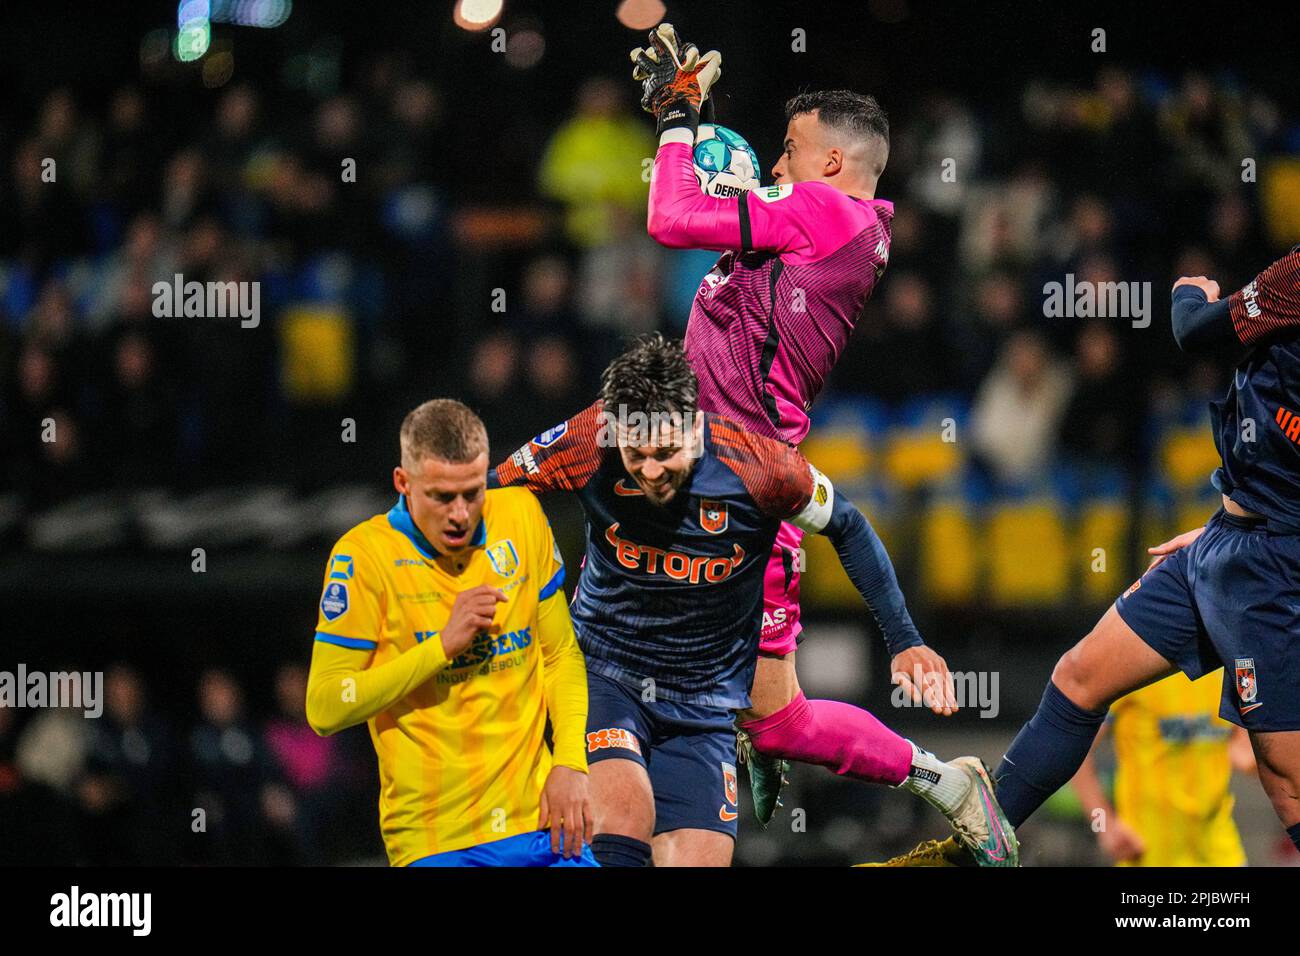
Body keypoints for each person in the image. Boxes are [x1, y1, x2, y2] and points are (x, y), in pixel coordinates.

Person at [492, 335, 1018, 867]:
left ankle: (944, 782)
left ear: (697, 427)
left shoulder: (763, 467)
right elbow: (494, 495)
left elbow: (849, 526)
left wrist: (905, 641)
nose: (650, 471)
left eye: (666, 452)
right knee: (624, 815)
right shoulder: (587, 438)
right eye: (637, 454)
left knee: (742, 788)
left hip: (705, 701)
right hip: (608, 675)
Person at [872, 246, 1300, 865]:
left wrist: (1190, 292)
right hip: (1225, 544)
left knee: (1285, 782)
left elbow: (1195, 331)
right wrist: (1226, 531)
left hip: (1270, 565)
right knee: (1079, 677)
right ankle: (971, 853)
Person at [631, 23, 959, 827]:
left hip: (745, 483)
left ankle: (944, 782)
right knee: (672, 671)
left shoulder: (823, 213)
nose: (776, 165)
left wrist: (679, 120)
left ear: (833, 164)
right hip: (702, 468)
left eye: (788, 150)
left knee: (776, 718)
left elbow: (670, 218)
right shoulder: (823, 228)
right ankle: (740, 750)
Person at [304, 399, 595, 866]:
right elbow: (323, 705)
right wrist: (440, 647)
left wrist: (570, 762)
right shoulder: (363, 557)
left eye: (473, 492)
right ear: (404, 483)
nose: (460, 513)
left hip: (540, 822)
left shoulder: (520, 515)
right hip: (437, 841)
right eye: (442, 497)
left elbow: (561, 654)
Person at [1070, 669, 1253, 867]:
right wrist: (1103, 826)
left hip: (1222, 851)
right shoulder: (1128, 664)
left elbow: (1245, 754)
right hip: (1148, 855)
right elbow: (1073, 753)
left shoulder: (1237, 661)